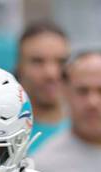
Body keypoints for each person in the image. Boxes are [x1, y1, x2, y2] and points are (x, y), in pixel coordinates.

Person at [14, 21, 70, 153]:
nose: (51, 73)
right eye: (38, 61)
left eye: (61, 61)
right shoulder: (1, 136)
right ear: (19, 67)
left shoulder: (88, 132)